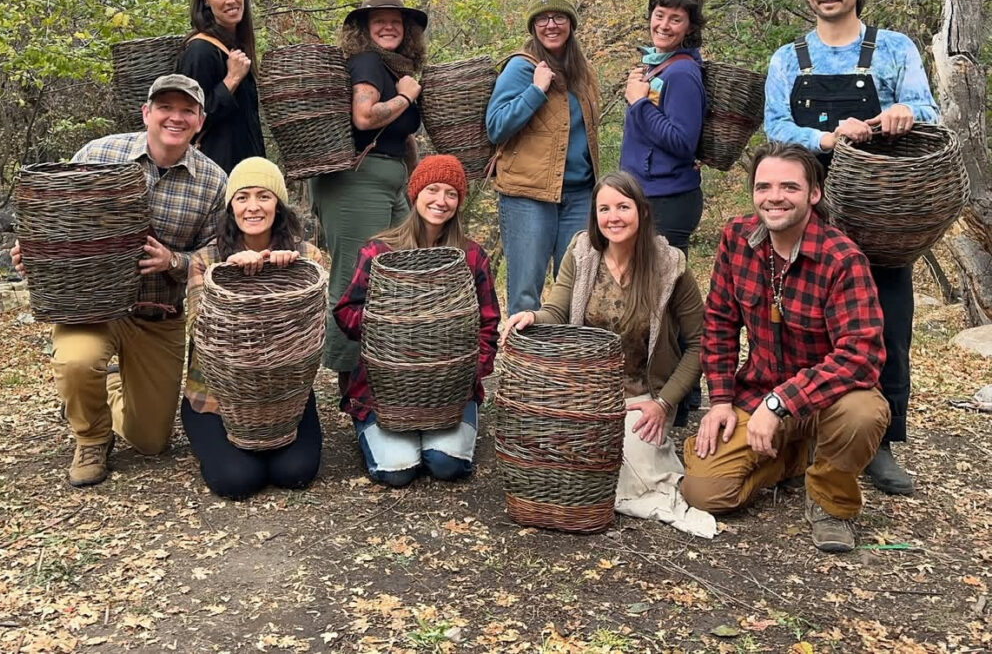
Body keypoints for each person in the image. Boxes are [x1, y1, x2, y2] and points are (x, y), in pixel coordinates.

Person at [764, 0, 939, 496]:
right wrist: (826, 135)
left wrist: (901, 112)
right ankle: (811, 431)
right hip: (810, 208)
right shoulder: (788, 58)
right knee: (803, 321)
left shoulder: (893, 48)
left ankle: (879, 443)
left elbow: (927, 108)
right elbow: (775, 126)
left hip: (882, 212)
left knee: (887, 326)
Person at [12, 75, 226, 487]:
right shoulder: (99, 153)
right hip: (90, 308)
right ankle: (91, 436)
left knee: (151, 442)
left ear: (200, 120)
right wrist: (33, 252)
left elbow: (213, 256)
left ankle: (106, 386)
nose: (175, 117)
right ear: (147, 113)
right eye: (165, 107)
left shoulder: (214, 182)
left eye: (187, 110)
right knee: (77, 359)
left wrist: (174, 261)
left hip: (156, 312)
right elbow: (55, 212)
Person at [681, 142, 890, 554]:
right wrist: (721, 399)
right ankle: (796, 455)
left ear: (814, 193)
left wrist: (780, 404)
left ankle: (831, 503)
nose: (774, 197)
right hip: (755, 395)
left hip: (827, 401)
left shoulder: (842, 259)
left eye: (789, 187)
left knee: (864, 413)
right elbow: (720, 323)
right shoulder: (736, 239)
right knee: (704, 493)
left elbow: (861, 356)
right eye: (764, 187)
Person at [501, 171, 715, 537]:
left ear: (642, 212)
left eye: (622, 207)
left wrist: (663, 403)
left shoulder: (670, 266)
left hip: (639, 397)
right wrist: (532, 316)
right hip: (584, 395)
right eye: (604, 209)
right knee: (572, 468)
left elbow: (700, 343)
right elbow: (557, 312)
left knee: (632, 477)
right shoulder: (582, 253)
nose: (613, 217)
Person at [333, 155, 499, 487]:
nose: (441, 200)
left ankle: (442, 434)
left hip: (451, 391)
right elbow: (347, 311)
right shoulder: (379, 251)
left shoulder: (471, 256)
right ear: (415, 193)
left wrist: (466, 371)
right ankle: (383, 434)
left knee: (444, 465)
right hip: (386, 389)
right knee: (397, 472)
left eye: (451, 193)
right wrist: (393, 330)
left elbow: (488, 324)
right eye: (433, 189)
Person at [183, 158, 324, 499]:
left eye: (264, 196)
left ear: (279, 203)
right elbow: (197, 325)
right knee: (237, 481)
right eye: (243, 197)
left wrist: (289, 274)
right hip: (214, 397)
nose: (253, 207)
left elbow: (321, 318)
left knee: (296, 472)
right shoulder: (207, 259)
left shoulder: (308, 255)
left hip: (285, 395)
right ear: (231, 206)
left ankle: (271, 445)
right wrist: (226, 276)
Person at [314, 0, 427, 387]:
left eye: (395, 22)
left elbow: (402, 137)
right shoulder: (366, 63)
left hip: (389, 184)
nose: (388, 27)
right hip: (355, 186)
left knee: (392, 278)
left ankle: (381, 374)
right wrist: (405, 98)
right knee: (352, 281)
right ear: (364, 28)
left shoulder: (394, 68)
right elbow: (364, 117)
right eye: (379, 21)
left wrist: (413, 184)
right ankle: (350, 385)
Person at [485, 0, 600, 315]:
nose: (551, 25)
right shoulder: (521, 68)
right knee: (525, 292)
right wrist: (537, 89)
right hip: (528, 195)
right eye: (542, 19)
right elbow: (496, 126)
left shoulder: (584, 73)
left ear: (571, 23)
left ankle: (567, 361)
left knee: (577, 289)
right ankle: (523, 363)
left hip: (579, 196)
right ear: (533, 27)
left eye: (559, 17)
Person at [621, 0, 708, 254]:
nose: (664, 25)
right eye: (659, 15)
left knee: (663, 289)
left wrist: (639, 103)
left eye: (676, 19)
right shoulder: (657, 66)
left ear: (689, 28)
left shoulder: (682, 72)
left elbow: (682, 142)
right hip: (646, 193)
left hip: (667, 200)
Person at [176, 0, 266, 173]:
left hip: (244, 173)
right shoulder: (200, 50)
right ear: (205, 1)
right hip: (215, 174)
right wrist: (231, 80)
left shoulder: (234, 47)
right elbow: (187, 119)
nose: (230, 0)